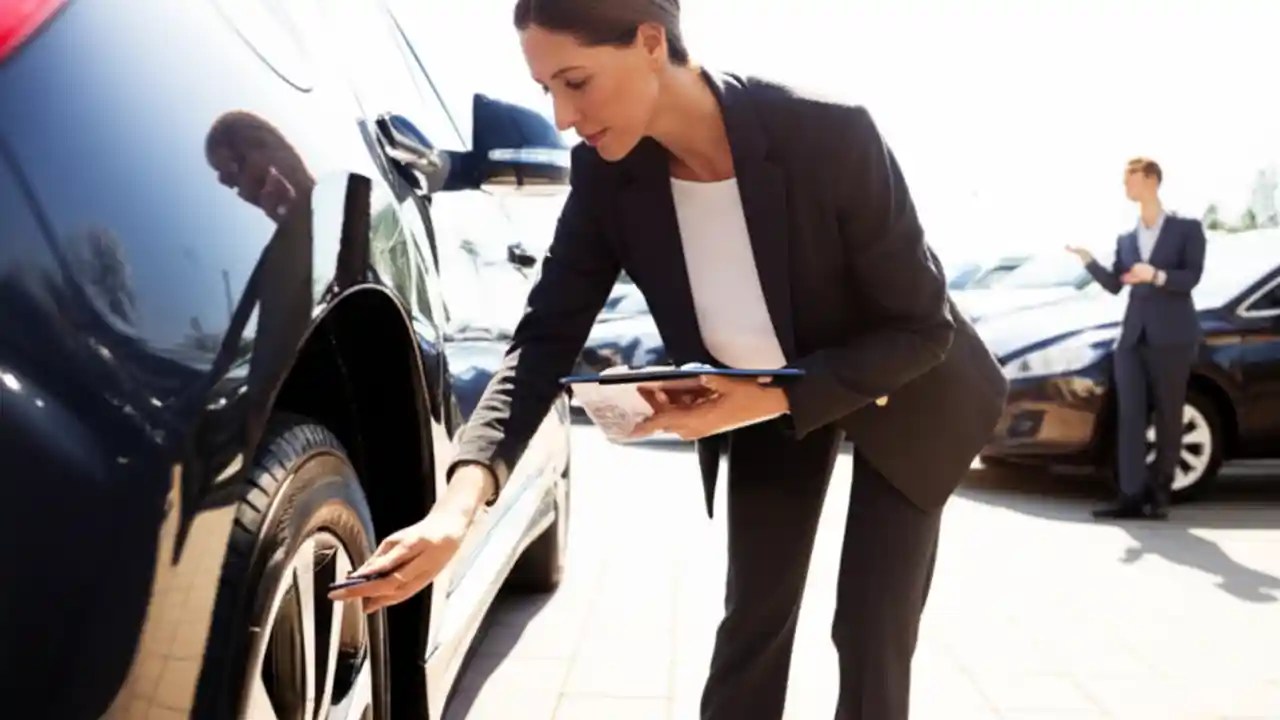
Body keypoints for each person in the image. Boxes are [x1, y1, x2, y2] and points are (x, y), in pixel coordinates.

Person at [329, 1, 1008, 718]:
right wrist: (456, 508)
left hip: (906, 387)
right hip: (763, 400)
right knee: (753, 621)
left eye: (576, 81)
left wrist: (774, 396)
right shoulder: (606, 177)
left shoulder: (831, 133)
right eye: (546, 91)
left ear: (651, 42)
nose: (562, 116)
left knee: (871, 627)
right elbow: (544, 341)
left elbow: (921, 327)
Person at [1067, 157, 1207, 521]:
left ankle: (1159, 495)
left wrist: (1157, 275)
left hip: (1173, 336)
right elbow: (1116, 285)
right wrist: (1088, 262)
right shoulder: (1126, 239)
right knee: (1129, 417)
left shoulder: (1187, 228)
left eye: (1129, 180)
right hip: (1132, 339)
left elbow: (1191, 277)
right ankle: (1129, 496)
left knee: (1168, 417)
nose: (1125, 187)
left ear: (1150, 180)